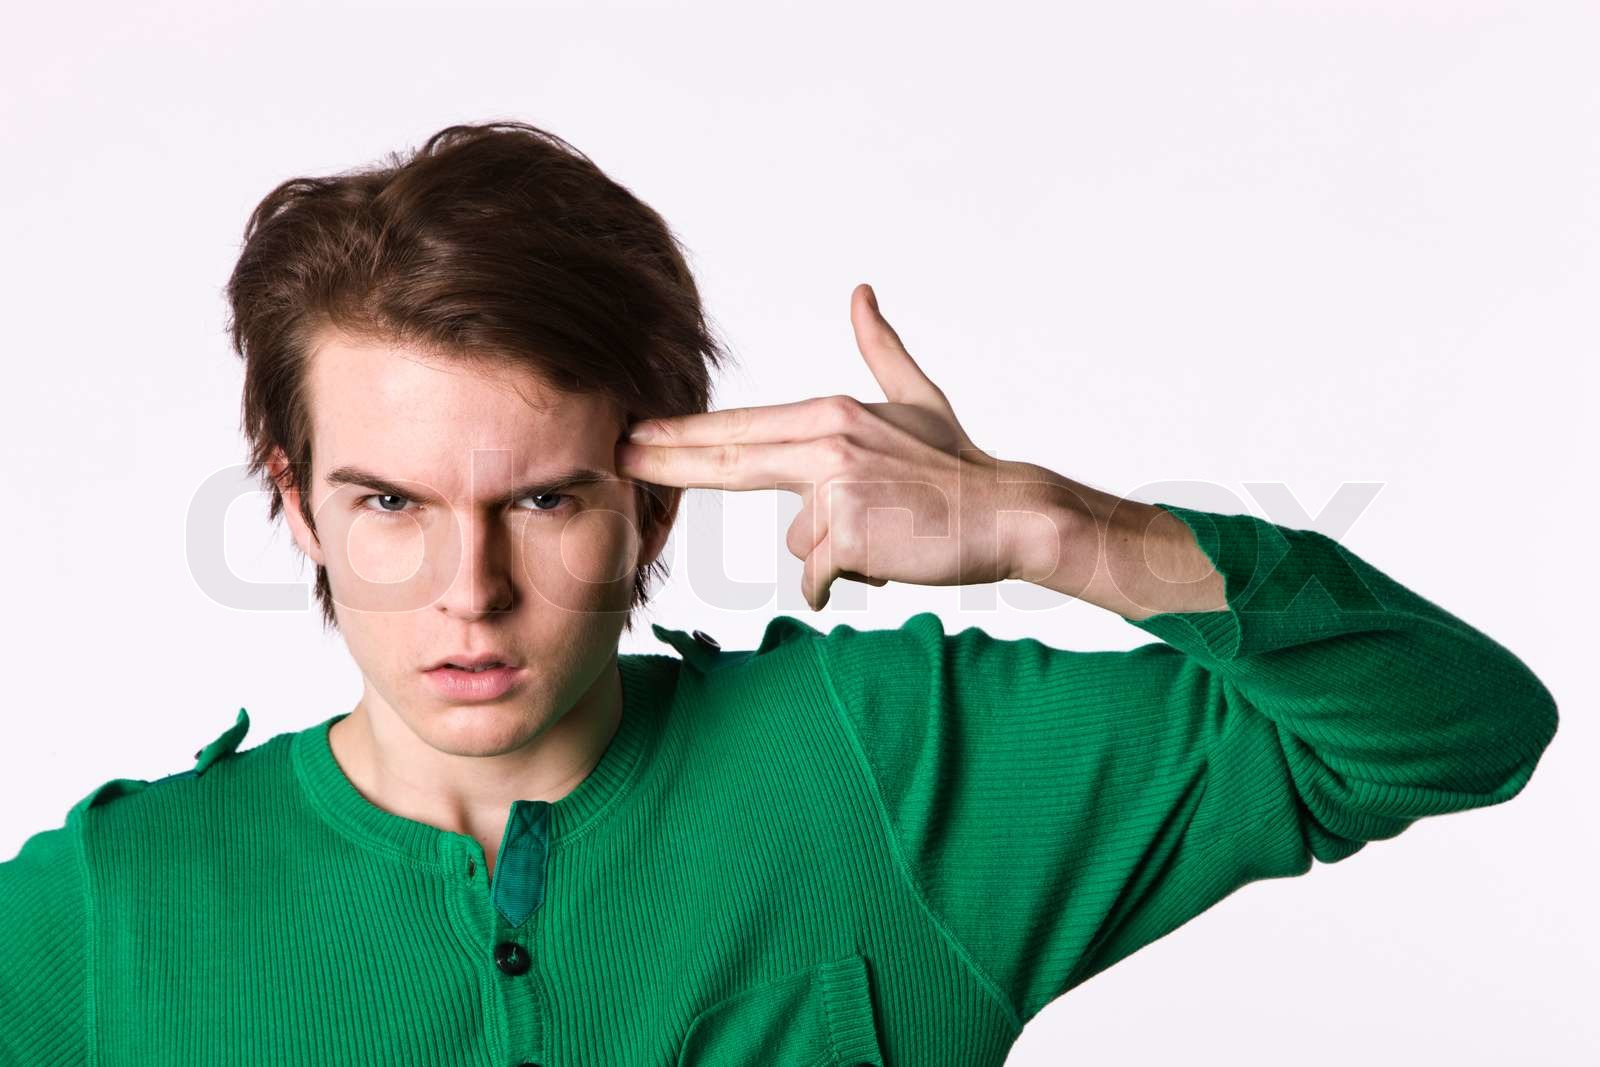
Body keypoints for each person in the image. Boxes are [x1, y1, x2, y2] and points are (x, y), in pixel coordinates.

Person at [0, 121, 1559, 1067]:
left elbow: (1448, 730)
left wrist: (1044, 527)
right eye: (390, 504)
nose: (466, 593)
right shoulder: (119, 907)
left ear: (654, 495)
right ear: (294, 498)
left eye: (543, 499)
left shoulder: (889, 761)